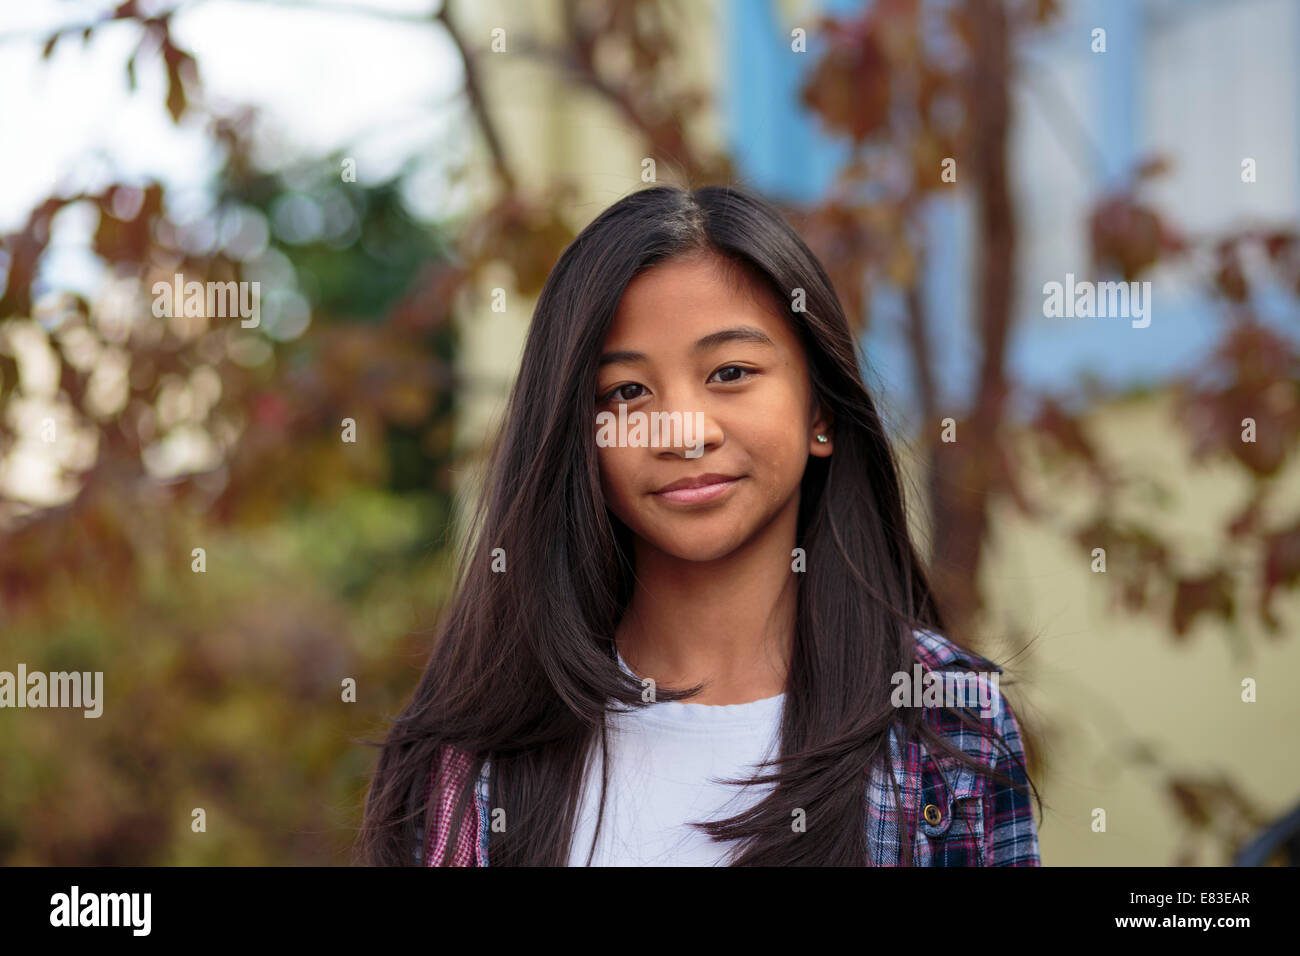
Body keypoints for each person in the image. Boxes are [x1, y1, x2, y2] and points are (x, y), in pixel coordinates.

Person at [357, 184, 1042, 866]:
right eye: (626, 392)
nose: (683, 432)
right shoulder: (473, 757)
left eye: (731, 371)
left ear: (821, 413)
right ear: (578, 435)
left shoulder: (949, 724)